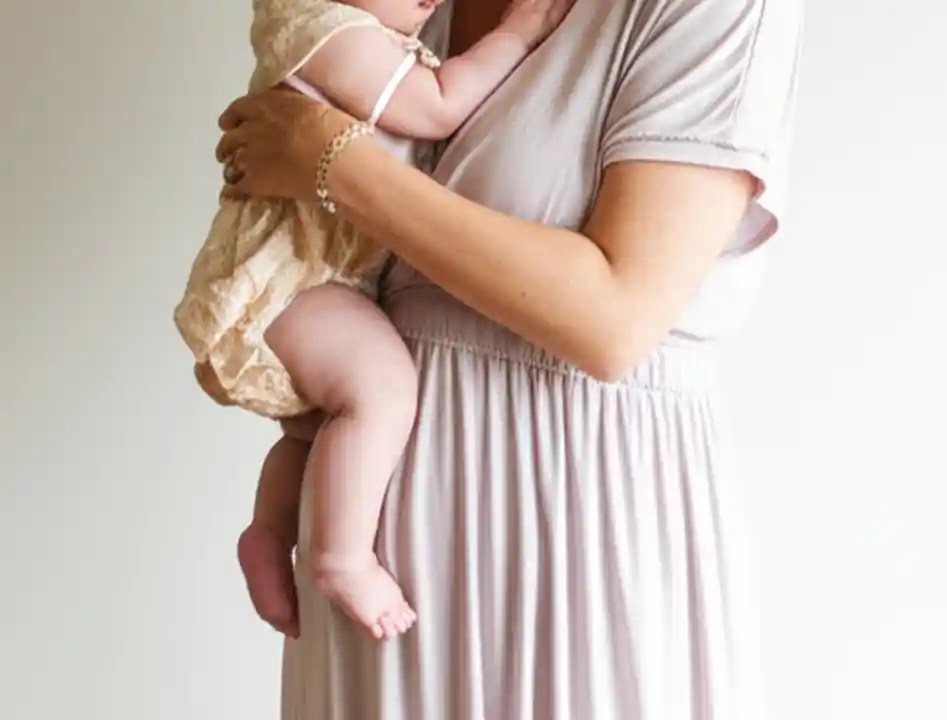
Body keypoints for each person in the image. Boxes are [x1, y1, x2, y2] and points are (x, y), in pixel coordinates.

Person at [217, 0, 803, 716]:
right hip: (372, 561)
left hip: (574, 511)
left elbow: (613, 321)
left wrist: (329, 158)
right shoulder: (391, 13)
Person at [176, 0, 570, 642]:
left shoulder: (363, 33)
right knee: (381, 389)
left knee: (315, 431)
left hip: (318, 278)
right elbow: (438, 107)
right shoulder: (328, 33)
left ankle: (270, 530)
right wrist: (521, 30)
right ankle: (341, 558)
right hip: (292, 280)